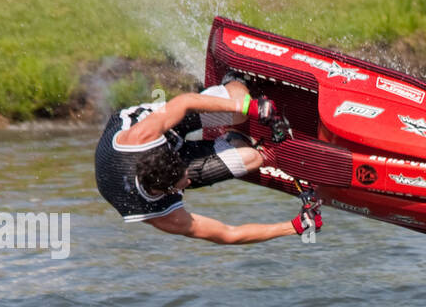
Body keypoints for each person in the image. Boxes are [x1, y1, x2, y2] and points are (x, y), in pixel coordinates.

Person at [94, 74, 321, 243]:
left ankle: (234, 80)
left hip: (154, 130)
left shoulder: (141, 136)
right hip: (147, 173)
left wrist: (248, 107)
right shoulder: (164, 217)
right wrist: (295, 226)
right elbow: (228, 234)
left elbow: (184, 103)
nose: (189, 182)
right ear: (168, 190)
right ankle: (236, 139)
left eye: (185, 176)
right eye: (183, 183)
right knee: (252, 158)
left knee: (239, 112)